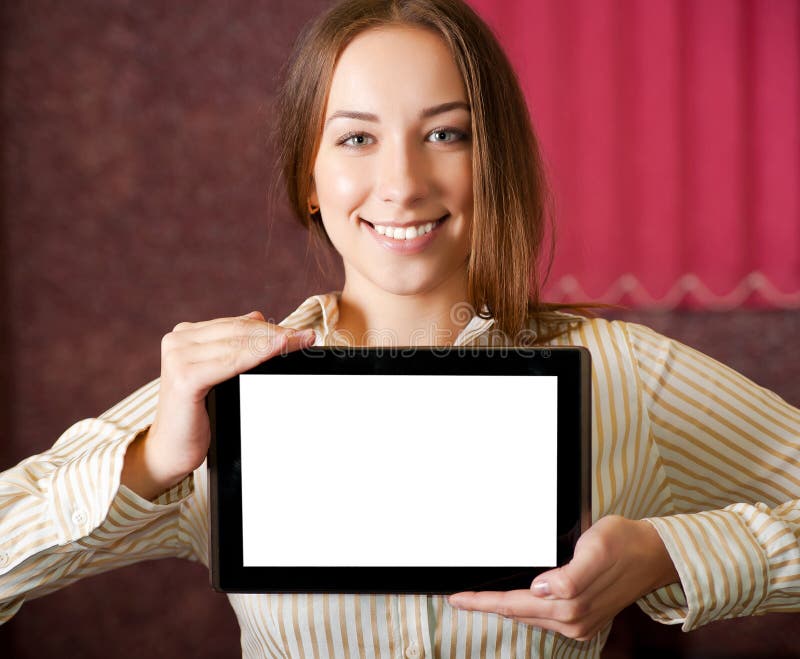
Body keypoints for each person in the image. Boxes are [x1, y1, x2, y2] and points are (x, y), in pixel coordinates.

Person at [1, 0, 798, 656]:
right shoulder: (221, 398)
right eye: (356, 137)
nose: (404, 183)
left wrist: (667, 555)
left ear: (495, 161)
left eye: (446, 133)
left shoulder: (620, 374)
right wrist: (151, 461)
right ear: (309, 177)